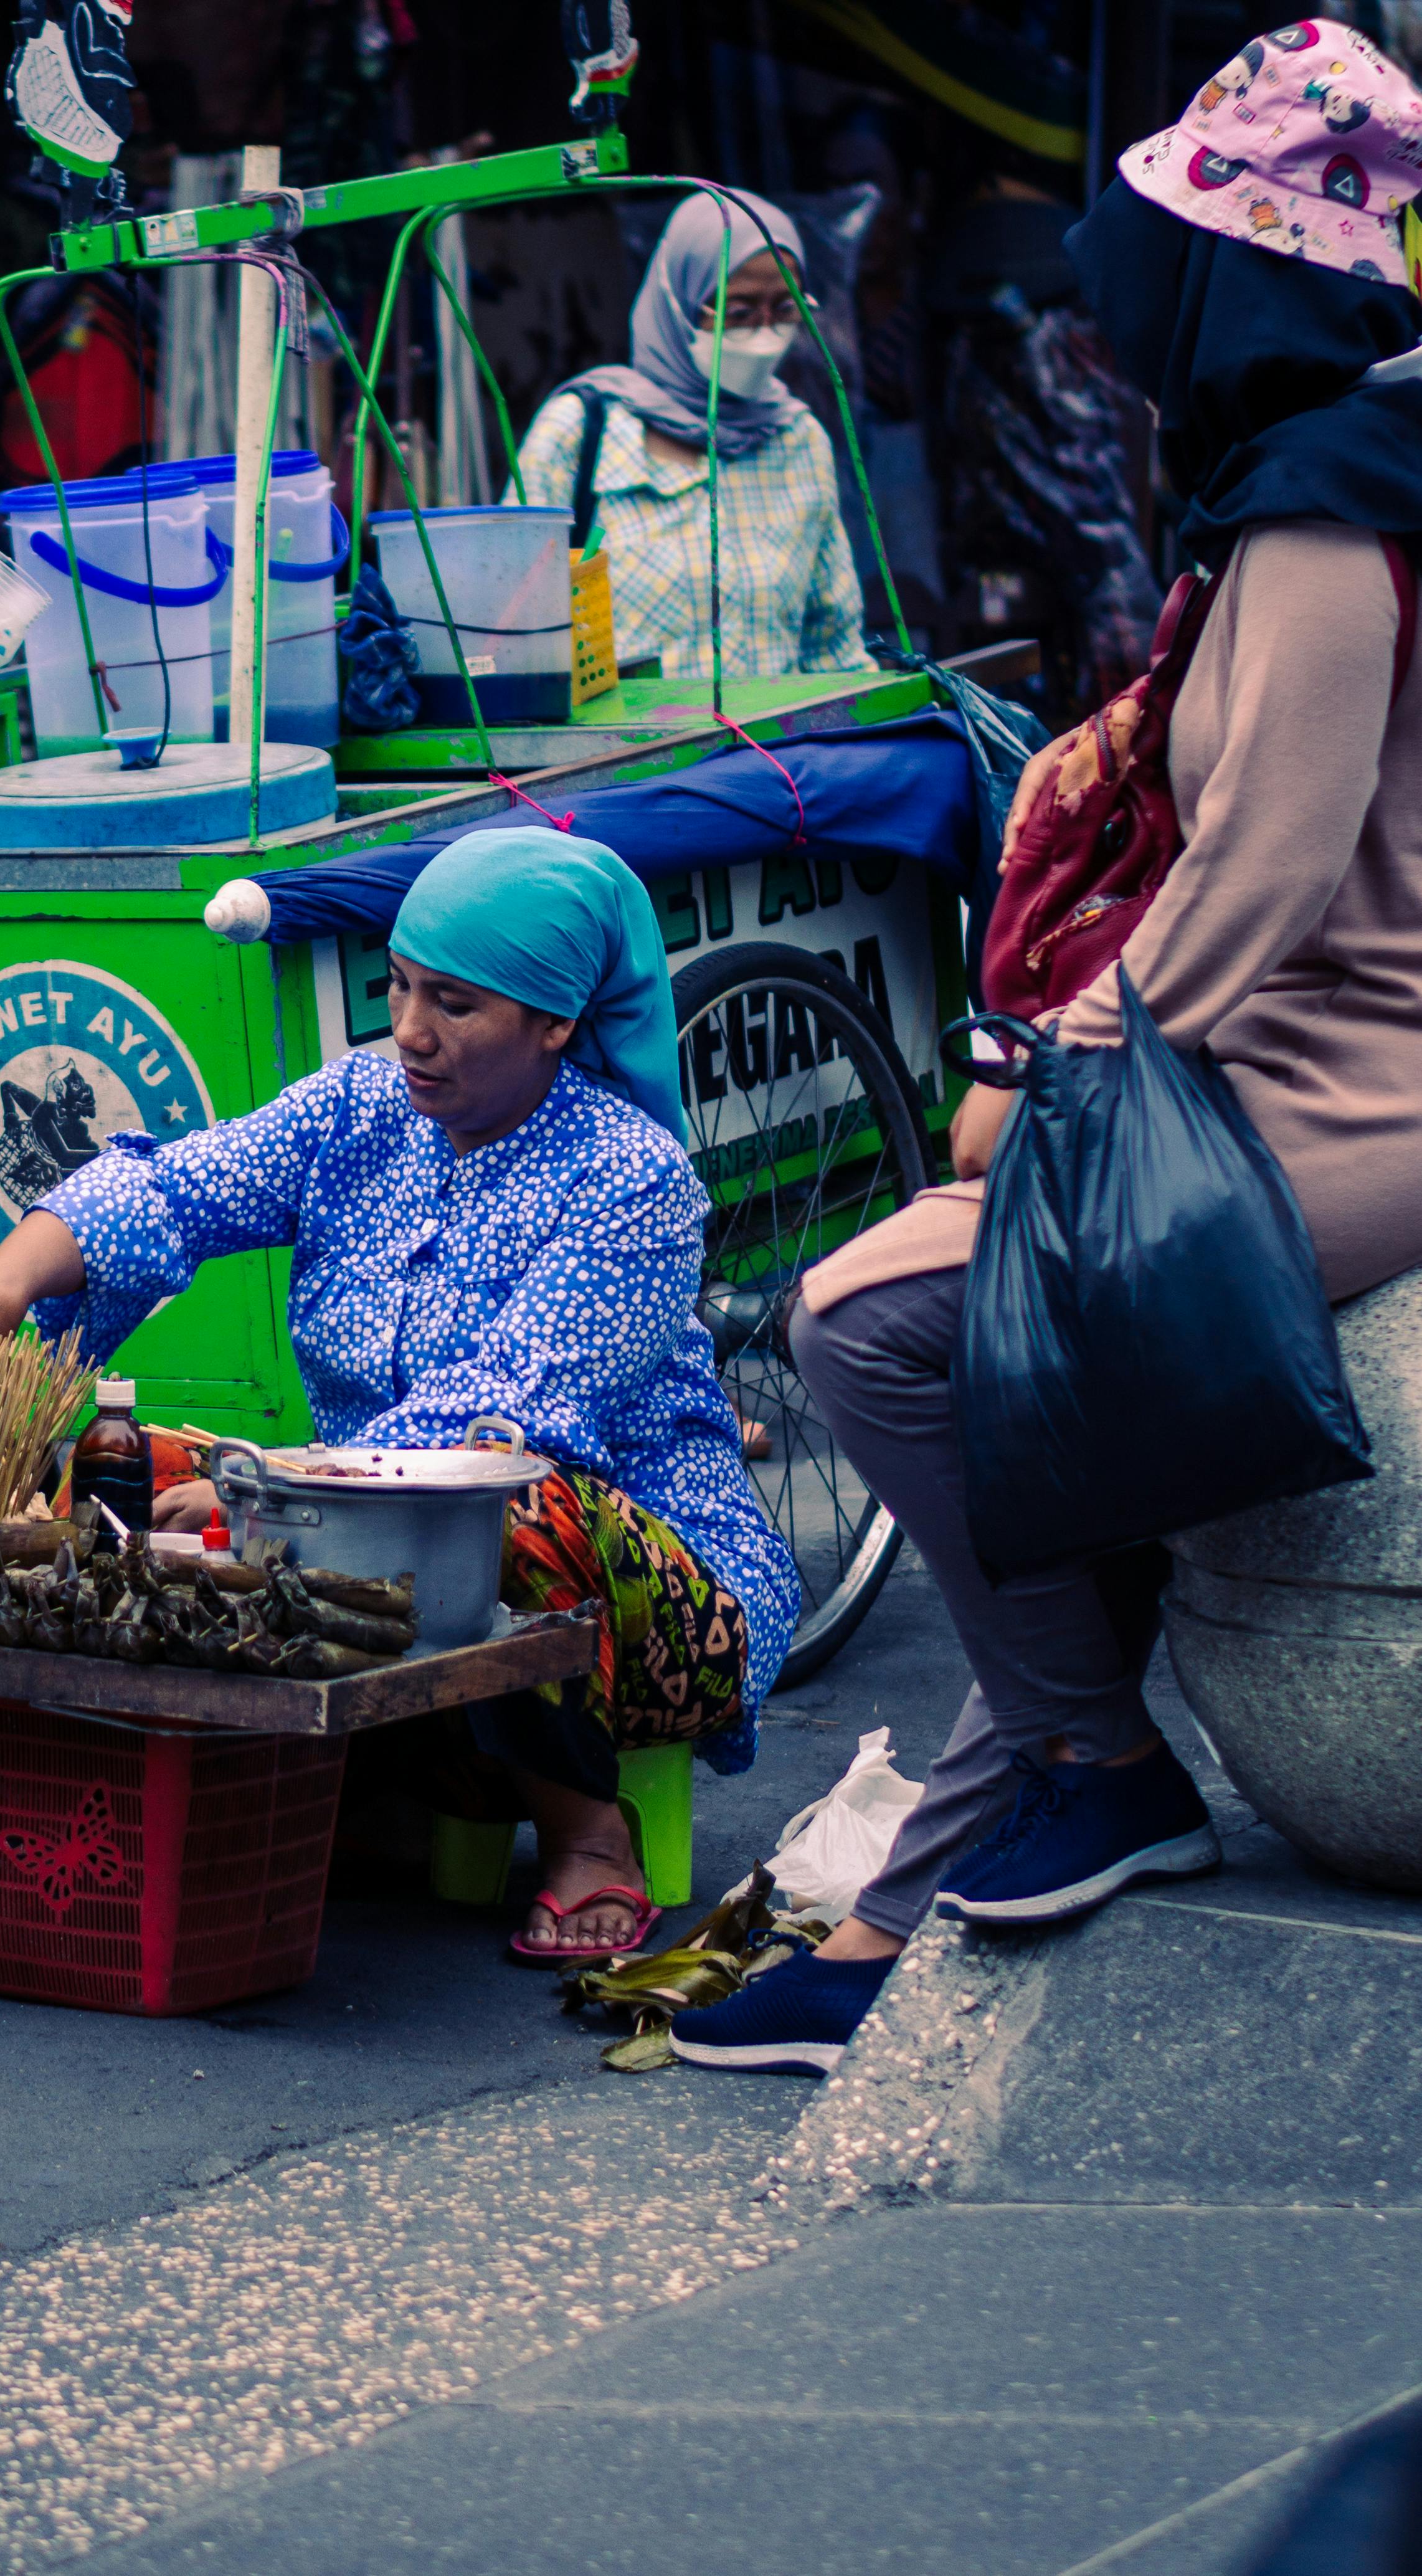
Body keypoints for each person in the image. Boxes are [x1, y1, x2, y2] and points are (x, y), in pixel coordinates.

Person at [668, 26, 1422, 2073]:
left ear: (1219, 283)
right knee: (1008, 1406)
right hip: (1267, 1074)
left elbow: (1259, 870)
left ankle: (1096, 1762)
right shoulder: (1326, 477)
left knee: (864, 1326)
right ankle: (943, 1879)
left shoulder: (1322, 513)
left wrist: (1041, 1075)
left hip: (1337, 1097)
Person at [0, 826, 800, 1958]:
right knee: (119, 1469)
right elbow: (173, 1191)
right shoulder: (358, 1109)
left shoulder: (632, 1181)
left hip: (646, 1601)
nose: (411, 1030)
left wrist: (274, 1496)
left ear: (554, 1023)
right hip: (360, 1529)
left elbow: (502, 1415)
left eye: (455, 1005)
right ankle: (367, 1791)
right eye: (399, 985)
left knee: (504, 1507)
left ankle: (589, 1835)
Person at [513, 191, 875, 685]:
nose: (765, 332)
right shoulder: (579, 434)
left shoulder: (799, 441)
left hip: (776, 737)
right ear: (677, 303)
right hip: (624, 738)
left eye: (786, 308)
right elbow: (512, 632)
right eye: (739, 311)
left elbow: (833, 651)